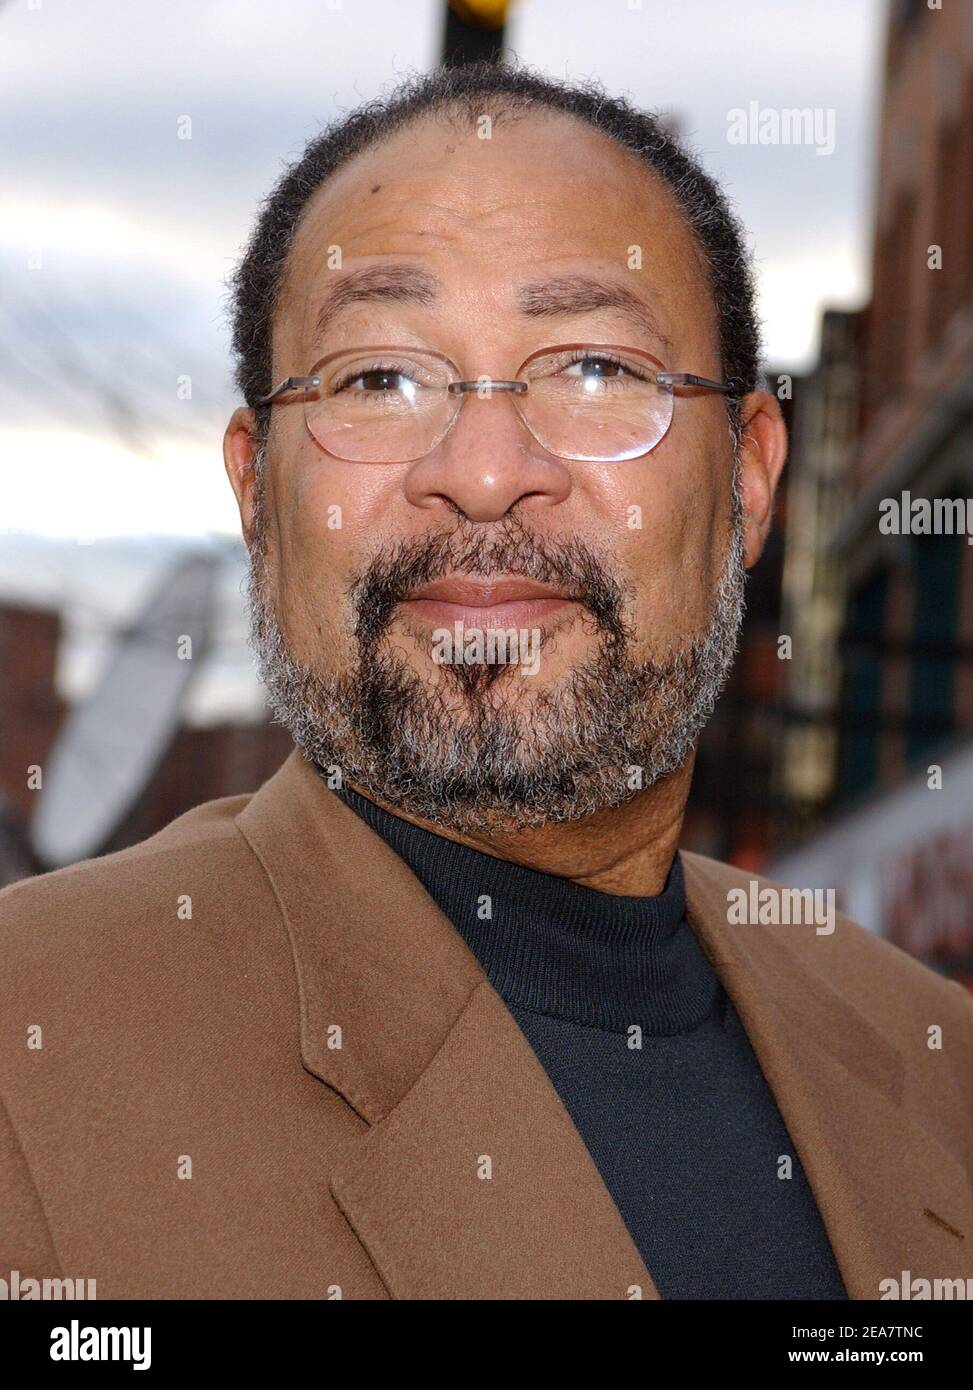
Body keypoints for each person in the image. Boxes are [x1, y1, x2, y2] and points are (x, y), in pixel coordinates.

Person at [2, 62, 970, 1301]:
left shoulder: (928, 1056)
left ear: (749, 479)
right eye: (379, 379)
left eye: (594, 370)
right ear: (256, 492)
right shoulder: (31, 1053)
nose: (484, 467)